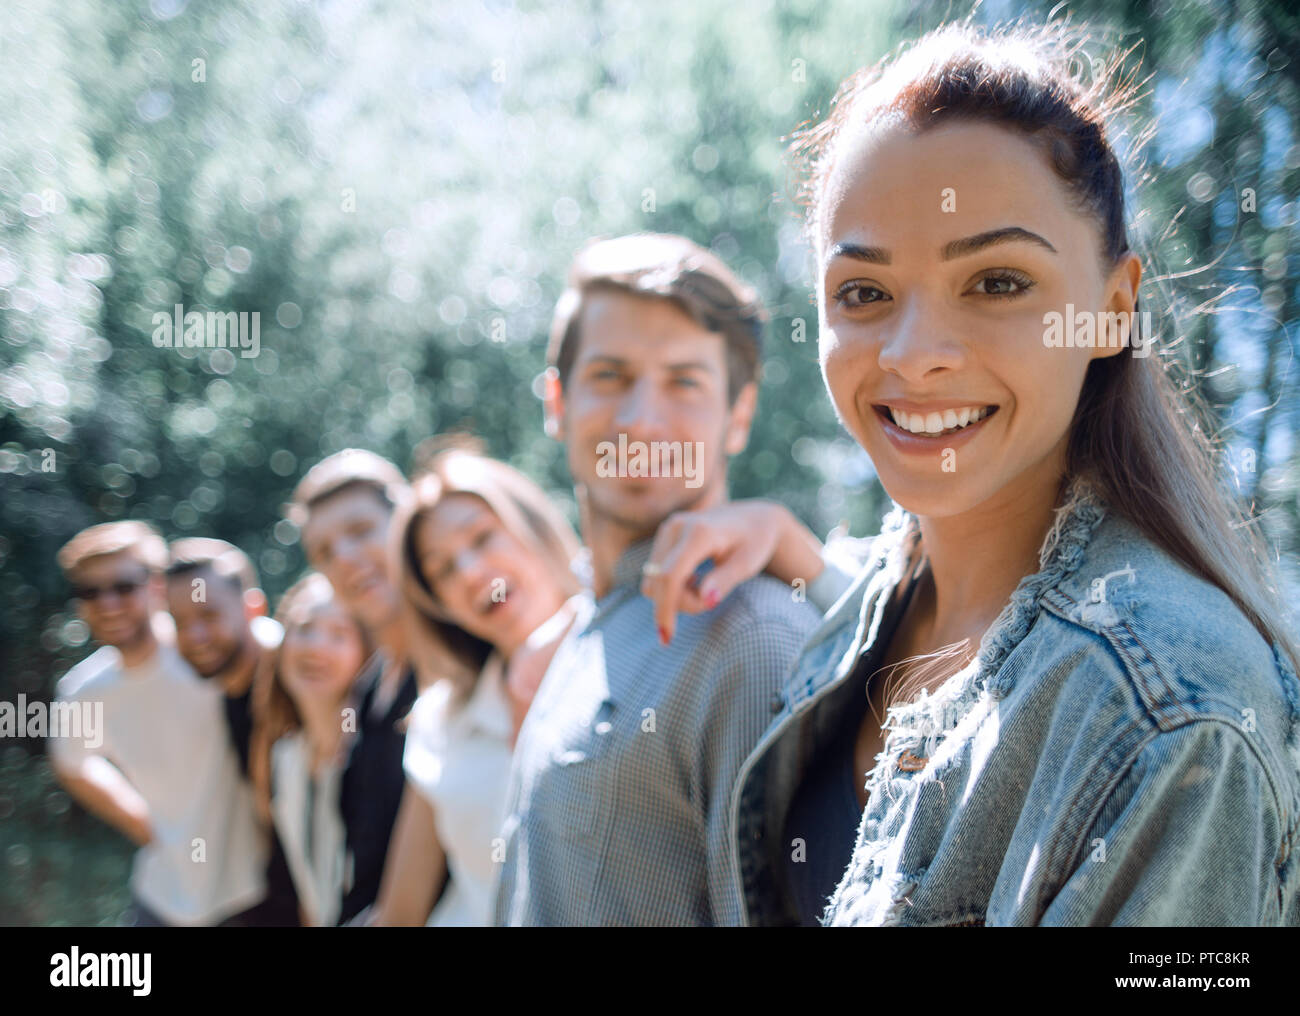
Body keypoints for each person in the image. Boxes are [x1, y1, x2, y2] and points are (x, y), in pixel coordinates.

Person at [708, 21, 1300, 926]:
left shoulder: (1177, 714)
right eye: (864, 294)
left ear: (1113, 309)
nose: (914, 356)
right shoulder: (874, 596)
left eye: (996, 282)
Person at [492, 233, 824, 926]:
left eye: (684, 381)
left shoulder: (752, 640)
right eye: (610, 375)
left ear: (738, 415)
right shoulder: (592, 620)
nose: (641, 422)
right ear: (557, 400)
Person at [368, 438, 583, 926]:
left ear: (531, 524)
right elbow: (400, 913)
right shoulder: (439, 720)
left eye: (483, 538)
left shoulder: (642, 653)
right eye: (442, 569)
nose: (469, 573)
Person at [48, 521, 267, 926]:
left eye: (124, 586)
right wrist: (146, 825)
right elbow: (72, 764)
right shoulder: (85, 692)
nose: (109, 603)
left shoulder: (209, 654)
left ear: (156, 586)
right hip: (162, 898)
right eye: (91, 592)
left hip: (250, 892)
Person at [288, 449, 419, 925]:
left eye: (361, 531)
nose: (344, 558)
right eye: (324, 551)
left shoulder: (464, 671)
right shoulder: (366, 694)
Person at [164, 538, 301, 925]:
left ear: (253, 607)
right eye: (180, 622)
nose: (194, 636)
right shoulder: (223, 690)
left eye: (208, 616)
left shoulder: (298, 677)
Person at [248, 572, 370, 927]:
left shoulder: (379, 759)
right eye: (304, 628)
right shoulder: (285, 758)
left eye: (339, 634)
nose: (316, 646)